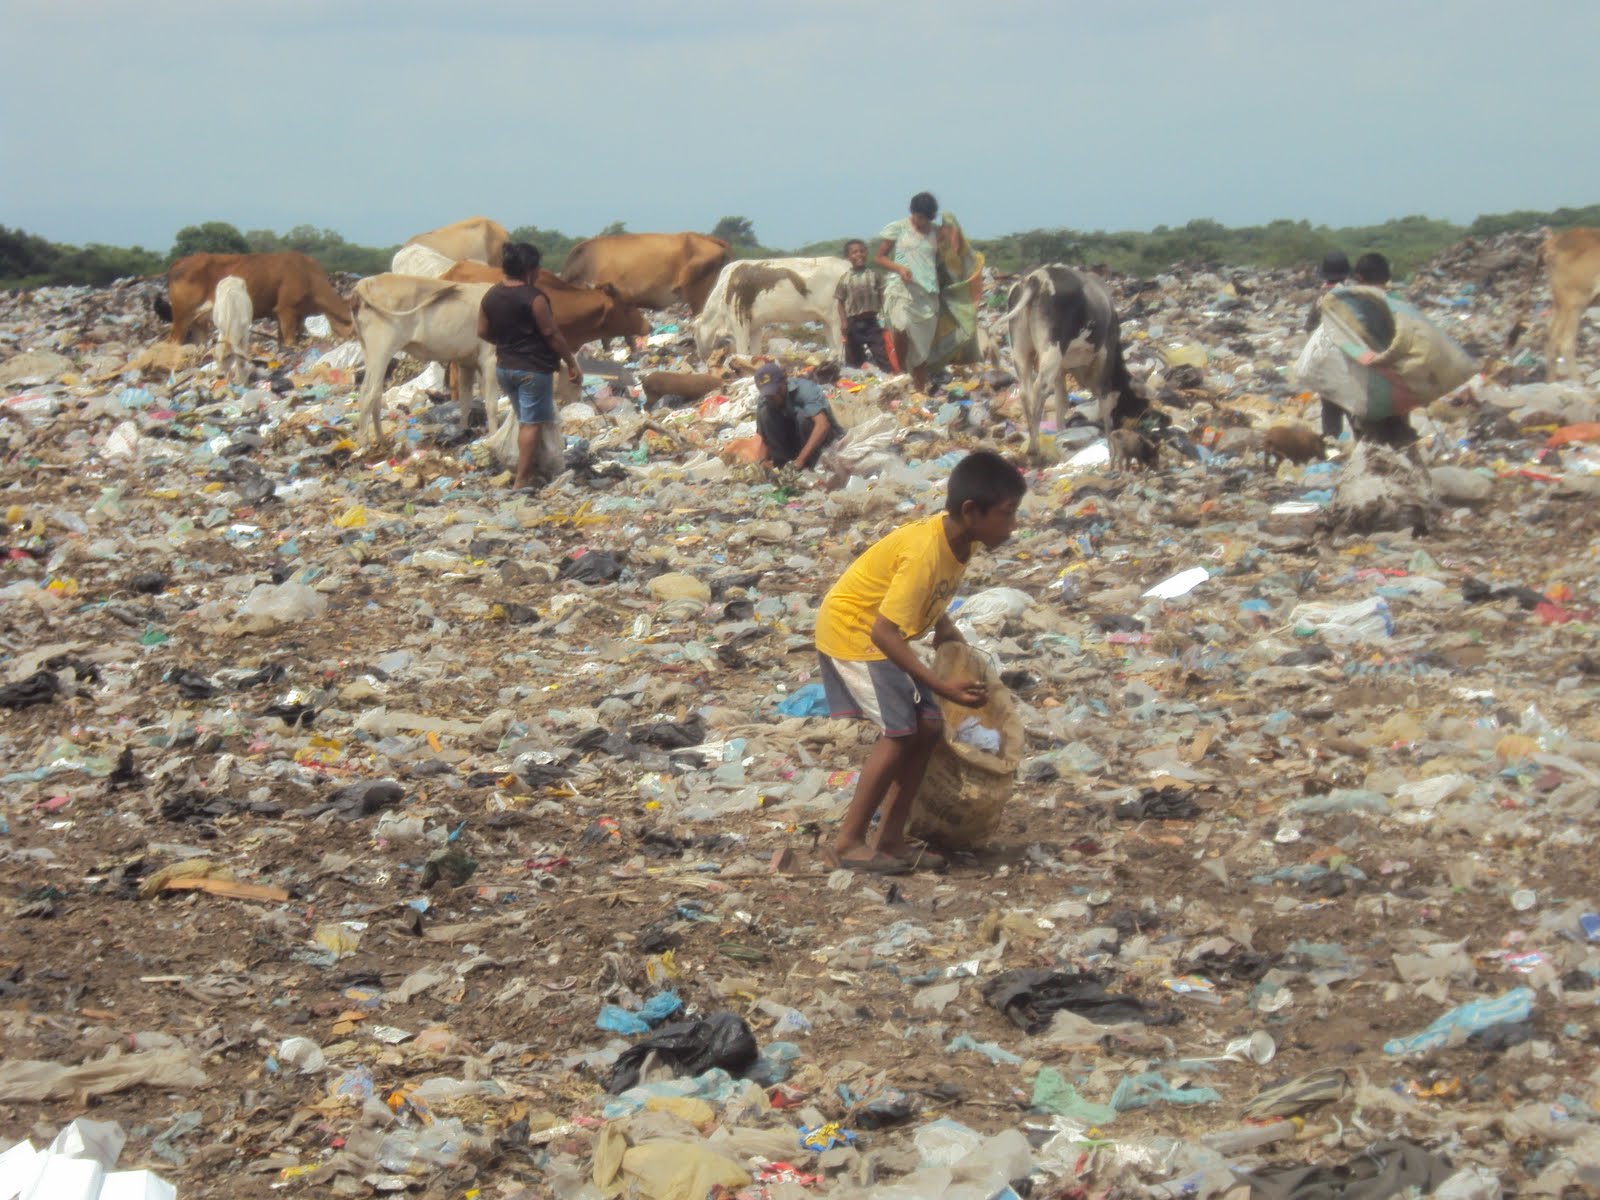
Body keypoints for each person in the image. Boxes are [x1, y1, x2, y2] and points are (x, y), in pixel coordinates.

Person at [814, 450, 1026, 873]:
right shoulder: (926, 552)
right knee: (901, 731)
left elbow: (927, 594)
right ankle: (849, 841)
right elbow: (884, 632)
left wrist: (947, 632)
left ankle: (891, 840)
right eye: (1006, 514)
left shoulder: (958, 543)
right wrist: (940, 684)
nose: (1012, 524)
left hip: (879, 632)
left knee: (928, 727)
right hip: (855, 633)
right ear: (971, 511)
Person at [476, 242, 581, 491]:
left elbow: (482, 331)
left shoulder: (490, 295)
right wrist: (571, 362)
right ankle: (521, 479)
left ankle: (529, 469)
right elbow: (551, 333)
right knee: (530, 424)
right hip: (532, 370)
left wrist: (506, 344)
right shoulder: (534, 298)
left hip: (504, 368)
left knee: (525, 420)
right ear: (529, 270)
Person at [876, 191, 947, 392]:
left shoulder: (937, 233)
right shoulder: (898, 228)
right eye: (918, 216)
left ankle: (918, 391)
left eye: (925, 218)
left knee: (922, 348)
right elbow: (880, 257)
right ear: (912, 212)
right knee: (901, 326)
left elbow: (944, 262)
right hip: (901, 289)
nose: (921, 221)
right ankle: (900, 372)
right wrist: (899, 268)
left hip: (927, 293)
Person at [754, 362, 841, 470]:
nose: (773, 397)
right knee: (765, 414)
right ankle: (784, 464)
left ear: (784, 381)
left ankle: (813, 464)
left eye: (776, 391)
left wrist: (800, 460)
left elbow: (822, 425)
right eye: (768, 395)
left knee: (803, 418)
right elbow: (765, 437)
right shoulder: (765, 400)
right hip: (795, 443)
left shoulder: (806, 389)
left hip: (821, 442)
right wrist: (763, 460)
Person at [1305, 250, 1351, 439]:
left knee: (1330, 411)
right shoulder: (1352, 297)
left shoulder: (1320, 299)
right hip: (1350, 362)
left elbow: (1309, 328)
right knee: (1353, 408)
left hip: (1325, 363)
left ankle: (1332, 451)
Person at [834, 239, 890, 370]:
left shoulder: (874, 275)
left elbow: (883, 296)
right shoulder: (845, 278)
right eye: (854, 252)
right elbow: (840, 302)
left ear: (866, 253)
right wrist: (843, 322)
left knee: (881, 355)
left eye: (862, 251)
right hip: (853, 323)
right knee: (854, 360)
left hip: (871, 322)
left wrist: (884, 316)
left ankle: (889, 379)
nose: (859, 254)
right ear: (848, 257)